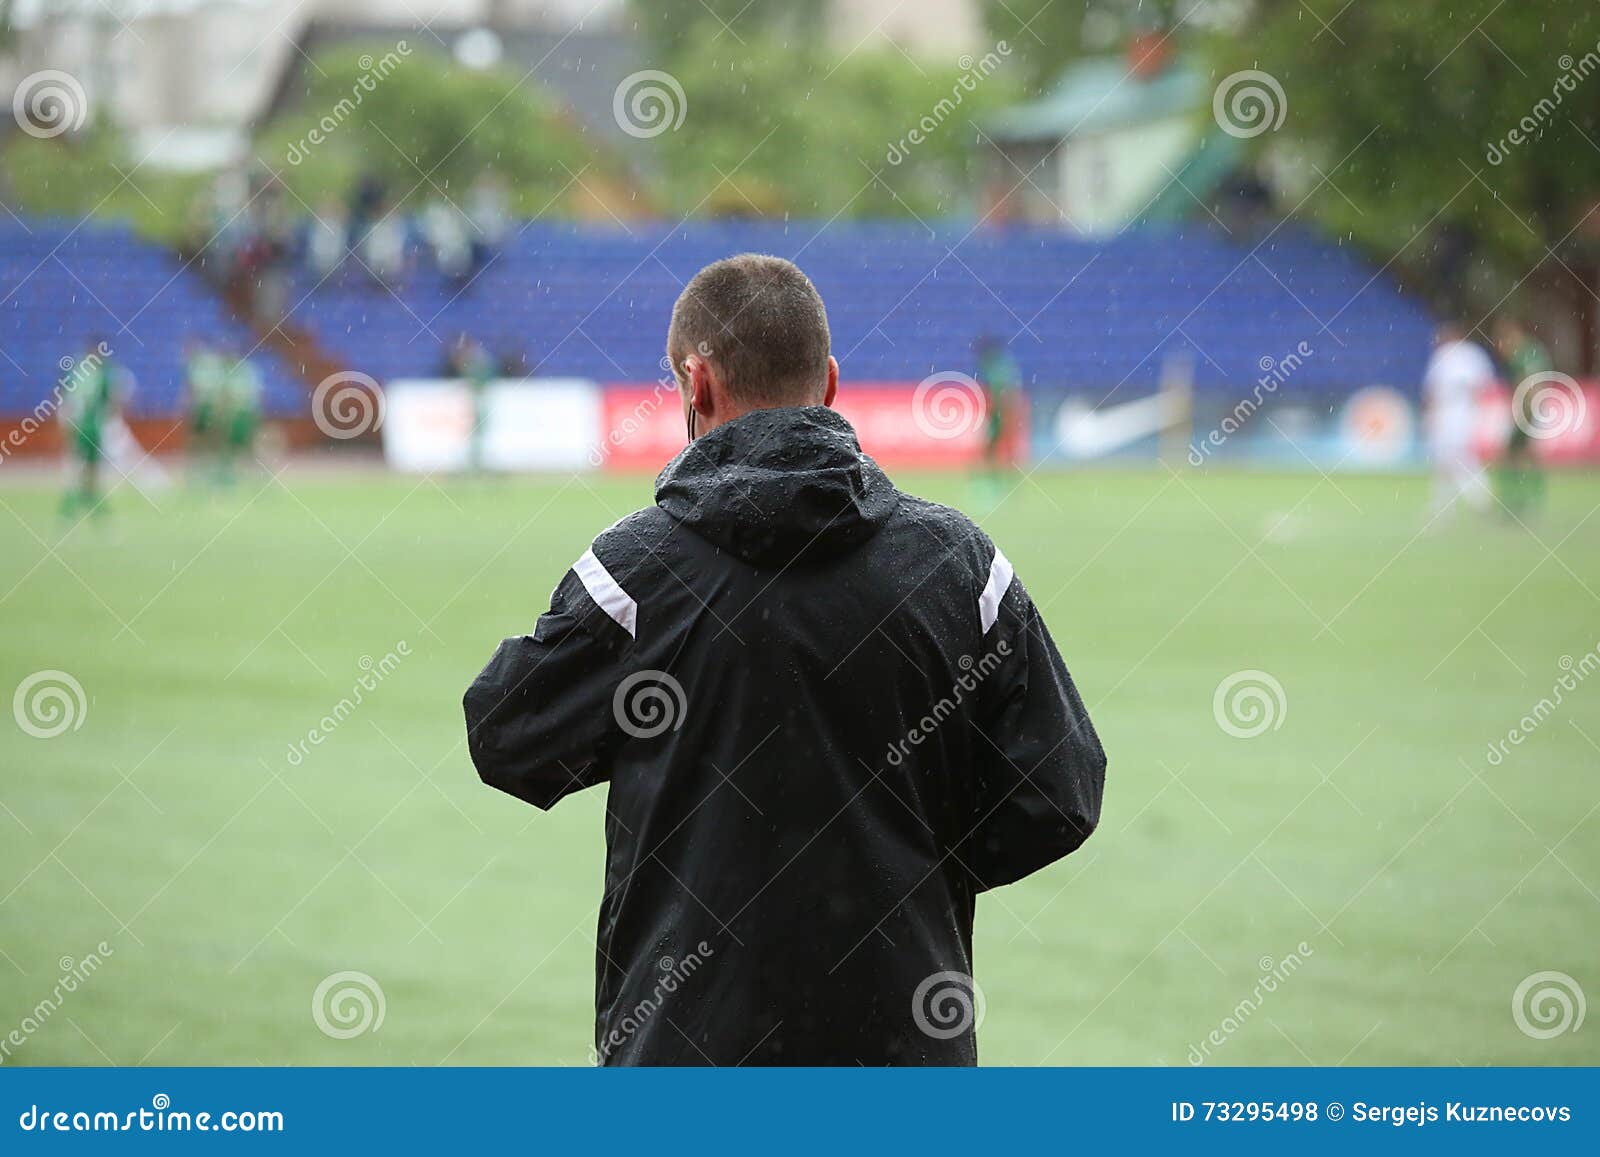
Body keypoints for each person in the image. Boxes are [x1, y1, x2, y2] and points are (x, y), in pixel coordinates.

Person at [463, 254, 1106, 1066]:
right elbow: (1062, 787)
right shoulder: (958, 564)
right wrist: (900, 869)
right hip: (905, 1050)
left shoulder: (633, 575)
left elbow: (505, 735)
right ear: (829, 381)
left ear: (696, 384)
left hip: (683, 1049)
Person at [1421, 322, 1495, 523]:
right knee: (1447, 463)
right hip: (1467, 415)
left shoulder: (1443, 356)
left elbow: (1432, 391)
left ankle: (1480, 498)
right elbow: (1485, 387)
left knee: (1455, 461)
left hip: (1446, 416)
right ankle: (1442, 508)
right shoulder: (1474, 354)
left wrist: (1429, 416)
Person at [1491, 315, 1552, 520]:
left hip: (1528, 412)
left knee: (1513, 457)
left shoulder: (1523, 354)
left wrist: (1526, 413)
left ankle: (1516, 504)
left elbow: (1531, 384)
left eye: (1502, 338)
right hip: (1532, 410)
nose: (1500, 345)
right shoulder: (1531, 351)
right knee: (1523, 456)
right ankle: (1527, 501)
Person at [58, 338, 120, 522]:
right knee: (86, 470)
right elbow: (109, 402)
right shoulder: (99, 374)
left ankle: (74, 509)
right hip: (89, 426)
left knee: (83, 470)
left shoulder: (77, 371)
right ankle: (81, 509)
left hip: (84, 426)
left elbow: (65, 400)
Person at [975, 335, 1021, 496]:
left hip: (999, 414)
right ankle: (1004, 484)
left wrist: (996, 414)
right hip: (1002, 412)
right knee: (999, 450)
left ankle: (996, 484)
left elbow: (999, 393)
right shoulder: (1004, 365)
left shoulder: (993, 367)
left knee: (992, 450)